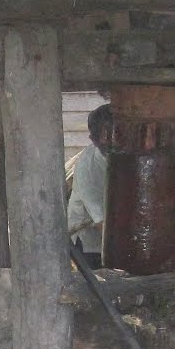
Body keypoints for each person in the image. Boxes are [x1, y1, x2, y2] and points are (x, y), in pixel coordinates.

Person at [66, 103, 113, 266]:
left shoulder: (123, 160)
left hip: (108, 236)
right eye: (104, 134)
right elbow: (102, 222)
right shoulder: (88, 167)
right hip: (87, 243)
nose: (108, 138)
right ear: (94, 138)